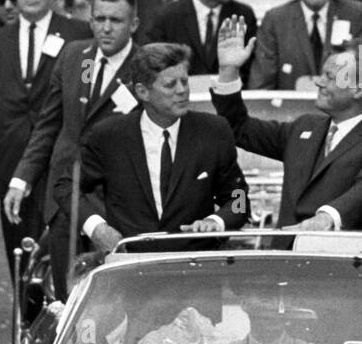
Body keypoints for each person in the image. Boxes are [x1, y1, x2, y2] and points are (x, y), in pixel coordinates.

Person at [5, 0, 140, 297]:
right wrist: (22, 178)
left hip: (116, 203)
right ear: (90, 20)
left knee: (114, 297)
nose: (106, 28)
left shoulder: (145, 67)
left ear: (133, 24)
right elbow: (48, 125)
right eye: (99, 19)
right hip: (65, 195)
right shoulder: (74, 56)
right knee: (67, 294)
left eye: (116, 20)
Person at [212, 16, 362, 230]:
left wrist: (326, 218)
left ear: (358, 89)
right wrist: (228, 71)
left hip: (335, 255)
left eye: (329, 76)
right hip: (285, 253)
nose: (319, 82)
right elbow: (239, 128)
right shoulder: (304, 127)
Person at [0, 0, 90, 276]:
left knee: (62, 250)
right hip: (11, 157)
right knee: (19, 252)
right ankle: (25, 321)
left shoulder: (79, 33)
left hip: (61, 159)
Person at [78, 43, 250, 250]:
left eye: (185, 82)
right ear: (143, 92)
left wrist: (217, 221)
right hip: (130, 263)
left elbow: (238, 199)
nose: (182, 91)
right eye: (170, 85)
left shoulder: (214, 131)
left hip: (194, 263)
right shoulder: (109, 136)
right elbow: (66, 187)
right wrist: (97, 228)